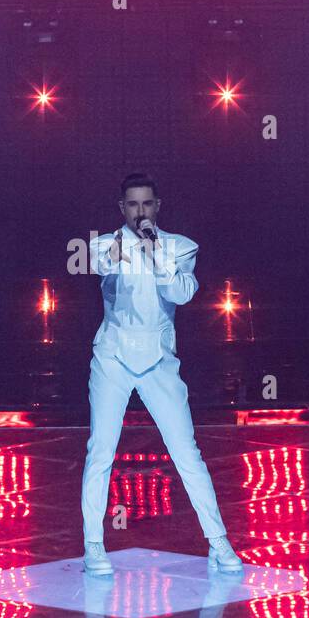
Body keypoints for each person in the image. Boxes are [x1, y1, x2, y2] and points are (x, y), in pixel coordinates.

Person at [80, 173, 242, 575]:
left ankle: (219, 543)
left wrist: (155, 252)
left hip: (159, 360)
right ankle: (93, 545)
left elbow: (182, 294)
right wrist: (135, 247)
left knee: (187, 452)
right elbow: (105, 268)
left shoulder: (180, 248)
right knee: (101, 450)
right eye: (132, 205)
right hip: (113, 357)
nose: (140, 212)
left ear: (157, 206)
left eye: (146, 204)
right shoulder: (103, 246)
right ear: (122, 208)